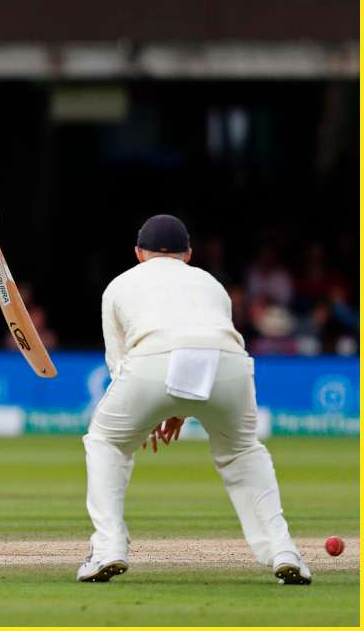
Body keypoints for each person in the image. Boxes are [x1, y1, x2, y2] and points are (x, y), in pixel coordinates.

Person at [79, 214, 311, 584]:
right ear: (188, 255)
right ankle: (285, 552)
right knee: (243, 452)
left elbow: (119, 364)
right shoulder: (211, 284)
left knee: (107, 440)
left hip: (152, 360)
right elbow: (206, 344)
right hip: (230, 365)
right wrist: (177, 405)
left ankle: (108, 548)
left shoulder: (120, 284)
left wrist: (152, 411)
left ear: (139, 253)